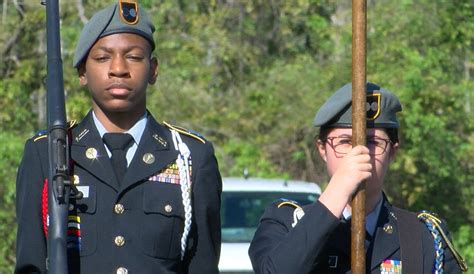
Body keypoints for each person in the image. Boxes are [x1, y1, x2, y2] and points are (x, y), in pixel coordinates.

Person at [15, 1, 222, 273]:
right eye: (102, 58)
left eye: (134, 57)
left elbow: (202, 265)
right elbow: (30, 264)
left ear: (154, 69)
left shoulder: (190, 157)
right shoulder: (47, 154)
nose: (118, 69)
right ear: (82, 73)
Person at [248, 83, 467, 273]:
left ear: (392, 152)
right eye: (345, 142)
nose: (359, 155)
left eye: (373, 143)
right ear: (322, 149)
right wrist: (338, 191)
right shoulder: (286, 223)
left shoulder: (422, 237)